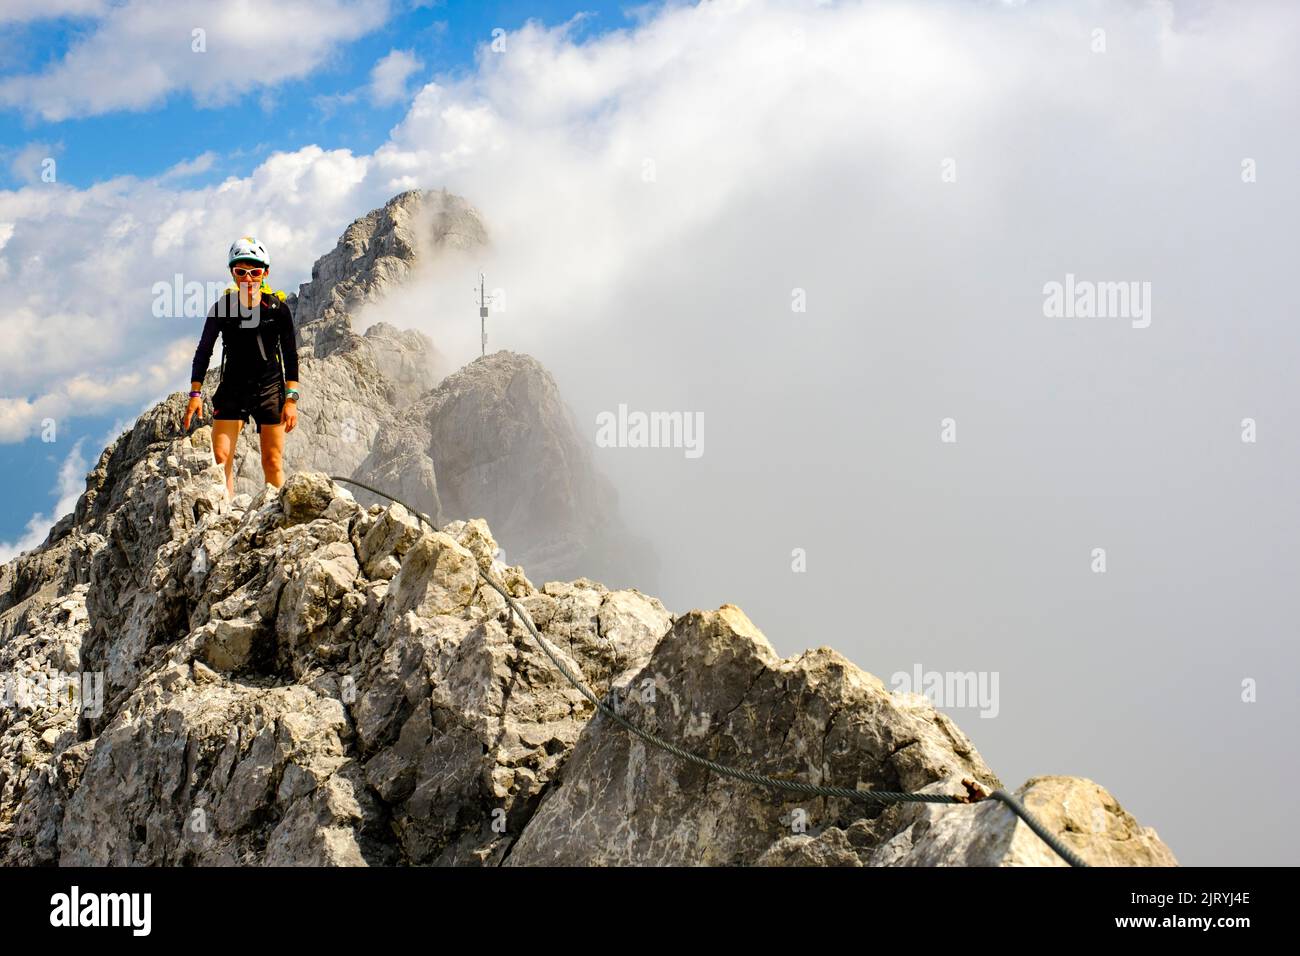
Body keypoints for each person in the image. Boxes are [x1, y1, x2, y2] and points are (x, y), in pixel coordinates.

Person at [183, 236, 300, 498]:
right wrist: (194, 394)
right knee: (220, 459)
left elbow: (290, 356)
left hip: (270, 389)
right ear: (233, 274)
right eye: (241, 272)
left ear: (265, 273)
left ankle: (277, 519)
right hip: (233, 389)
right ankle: (226, 518)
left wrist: (291, 400)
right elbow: (203, 352)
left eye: (255, 272)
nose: (248, 278)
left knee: (272, 462)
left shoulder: (278, 310)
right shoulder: (222, 309)